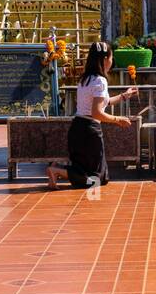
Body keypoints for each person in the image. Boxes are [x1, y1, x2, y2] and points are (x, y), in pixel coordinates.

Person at [46, 41, 137, 190]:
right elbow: (96, 112)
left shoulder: (86, 79)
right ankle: (57, 171)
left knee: (99, 175)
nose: (112, 61)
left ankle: (57, 169)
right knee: (97, 178)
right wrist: (117, 119)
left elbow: (101, 104)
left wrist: (124, 96)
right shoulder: (100, 81)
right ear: (105, 59)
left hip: (78, 128)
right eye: (111, 57)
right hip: (89, 131)